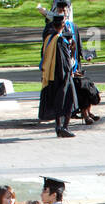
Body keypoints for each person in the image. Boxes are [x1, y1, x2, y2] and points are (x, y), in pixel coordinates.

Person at [38, 8, 77, 138]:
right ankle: (64, 127)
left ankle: (58, 127)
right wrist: (70, 72)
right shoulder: (60, 40)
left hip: (51, 75)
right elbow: (65, 60)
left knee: (57, 102)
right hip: (62, 76)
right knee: (68, 101)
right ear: (62, 25)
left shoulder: (49, 37)